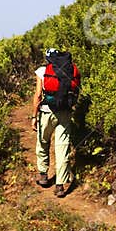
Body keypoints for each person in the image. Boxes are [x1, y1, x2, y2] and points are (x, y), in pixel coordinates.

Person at [31, 49, 79, 198]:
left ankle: (43, 175)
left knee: (43, 142)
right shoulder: (71, 70)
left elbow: (38, 95)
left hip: (46, 113)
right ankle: (60, 185)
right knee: (62, 148)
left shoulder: (42, 71)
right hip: (64, 113)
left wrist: (34, 116)